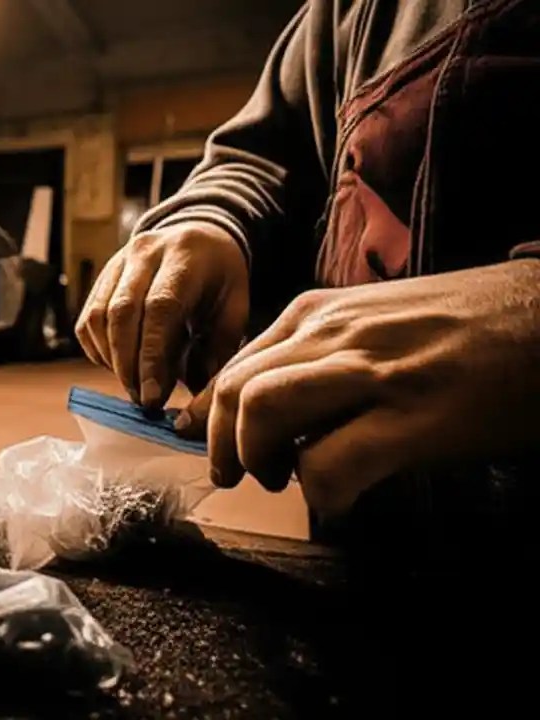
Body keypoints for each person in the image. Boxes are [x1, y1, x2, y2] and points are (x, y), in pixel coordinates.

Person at [75, 0, 540, 520]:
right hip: (365, 549)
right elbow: (264, 155)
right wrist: (210, 221)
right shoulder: (341, 10)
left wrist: (526, 318)